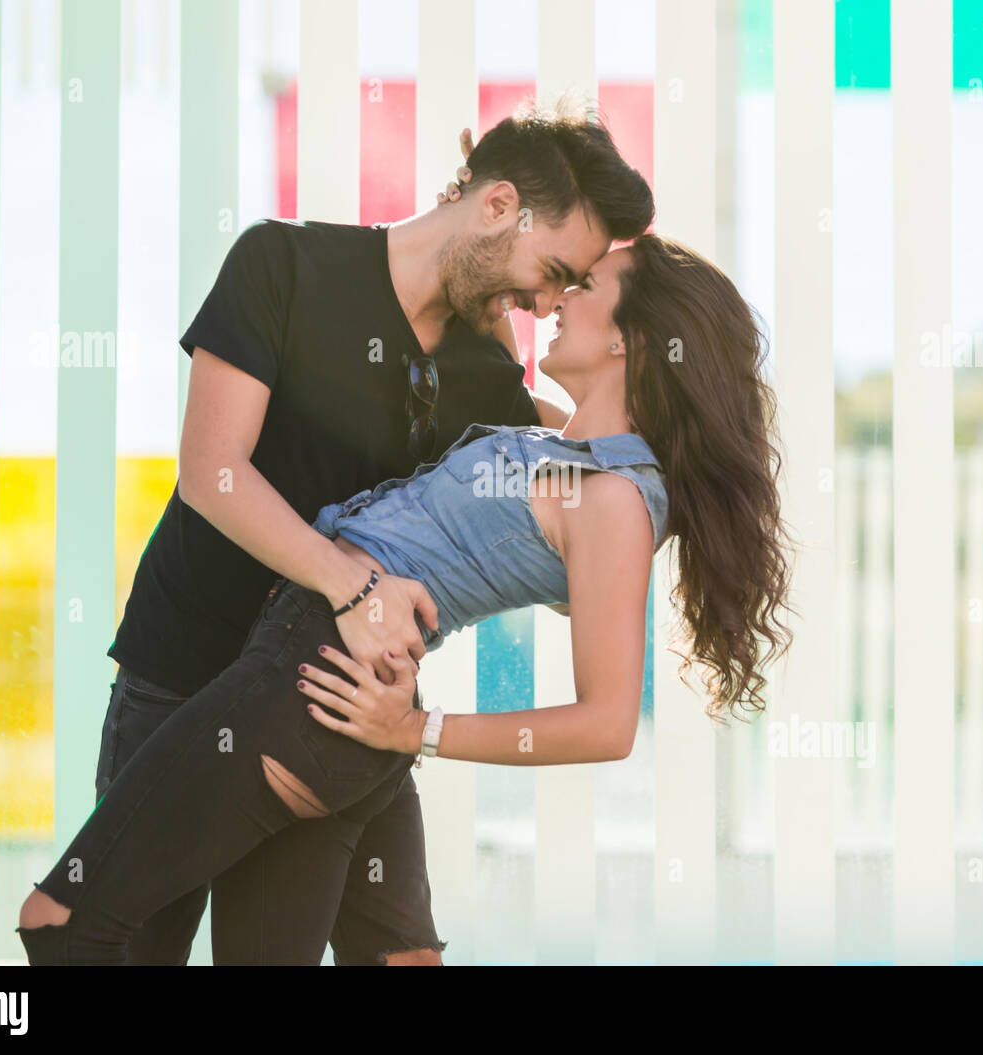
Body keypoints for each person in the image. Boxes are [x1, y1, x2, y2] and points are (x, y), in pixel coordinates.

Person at [16, 232, 797, 965]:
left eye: (584, 286)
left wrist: (419, 730)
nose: (558, 298)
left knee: (65, 916)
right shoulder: (567, 453)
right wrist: (495, 254)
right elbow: (503, 395)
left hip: (314, 679)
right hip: (337, 684)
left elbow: (608, 722)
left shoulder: (615, 500)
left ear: (628, 337)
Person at [90, 102, 655, 965]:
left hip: (343, 707)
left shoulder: (484, 370)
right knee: (125, 946)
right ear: (498, 206)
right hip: (183, 678)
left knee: (404, 956)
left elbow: (578, 513)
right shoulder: (283, 264)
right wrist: (351, 587)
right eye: (552, 272)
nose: (547, 305)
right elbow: (214, 472)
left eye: (570, 290)